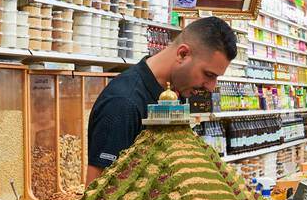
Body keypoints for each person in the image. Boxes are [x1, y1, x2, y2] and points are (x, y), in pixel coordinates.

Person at [86, 16, 238, 181]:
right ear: (182, 54)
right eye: (208, 74)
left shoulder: (174, 94)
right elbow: (98, 198)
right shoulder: (122, 103)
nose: (210, 86)